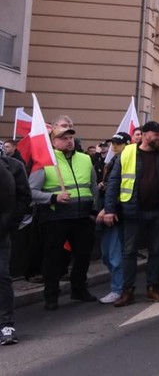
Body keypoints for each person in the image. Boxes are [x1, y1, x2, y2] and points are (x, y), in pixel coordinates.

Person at [103, 121, 159, 307]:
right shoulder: (127, 153)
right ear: (144, 135)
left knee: (157, 252)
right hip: (133, 211)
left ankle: (153, 288)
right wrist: (110, 209)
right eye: (156, 134)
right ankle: (128, 291)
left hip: (158, 212)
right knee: (129, 253)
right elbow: (114, 182)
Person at [30, 127, 98, 309]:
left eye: (71, 137)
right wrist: (53, 197)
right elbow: (32, 191)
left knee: (83, 256)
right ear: (53, 142)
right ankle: (51, 296)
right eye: (63, 138)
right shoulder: (45, 161)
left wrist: (94, 210)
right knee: (53, 259)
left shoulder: (85, 159)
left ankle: (79, 289)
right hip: (55, 218)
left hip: (82, 217)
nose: (69, 141)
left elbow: (93, 187)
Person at [95, 132, 130, 304]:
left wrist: (109, 208)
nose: (114, 146)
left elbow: (122, 189)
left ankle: (119, 289)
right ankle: (120, 286)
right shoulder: (112, 161)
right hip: (107, 212)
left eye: (118, 143)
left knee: (114, 256)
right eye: (113, 143)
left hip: (116, 214)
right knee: (106, 255)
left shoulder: (125, 160)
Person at [0, 145, 28, 345]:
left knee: (2, 276)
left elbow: (23, 197)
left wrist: (9, 224)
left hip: (1, 232)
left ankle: (6, 324)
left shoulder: (14, 167)